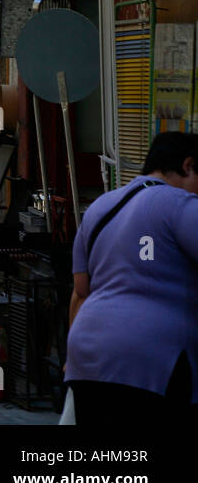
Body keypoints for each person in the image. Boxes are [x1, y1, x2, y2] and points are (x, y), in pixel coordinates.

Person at [65, 131, 198, 423]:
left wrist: (70, 359)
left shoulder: (99, 207)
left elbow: (80, 291)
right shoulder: (181, 204)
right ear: (188, 166)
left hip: (87, 355)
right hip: (153, 359)